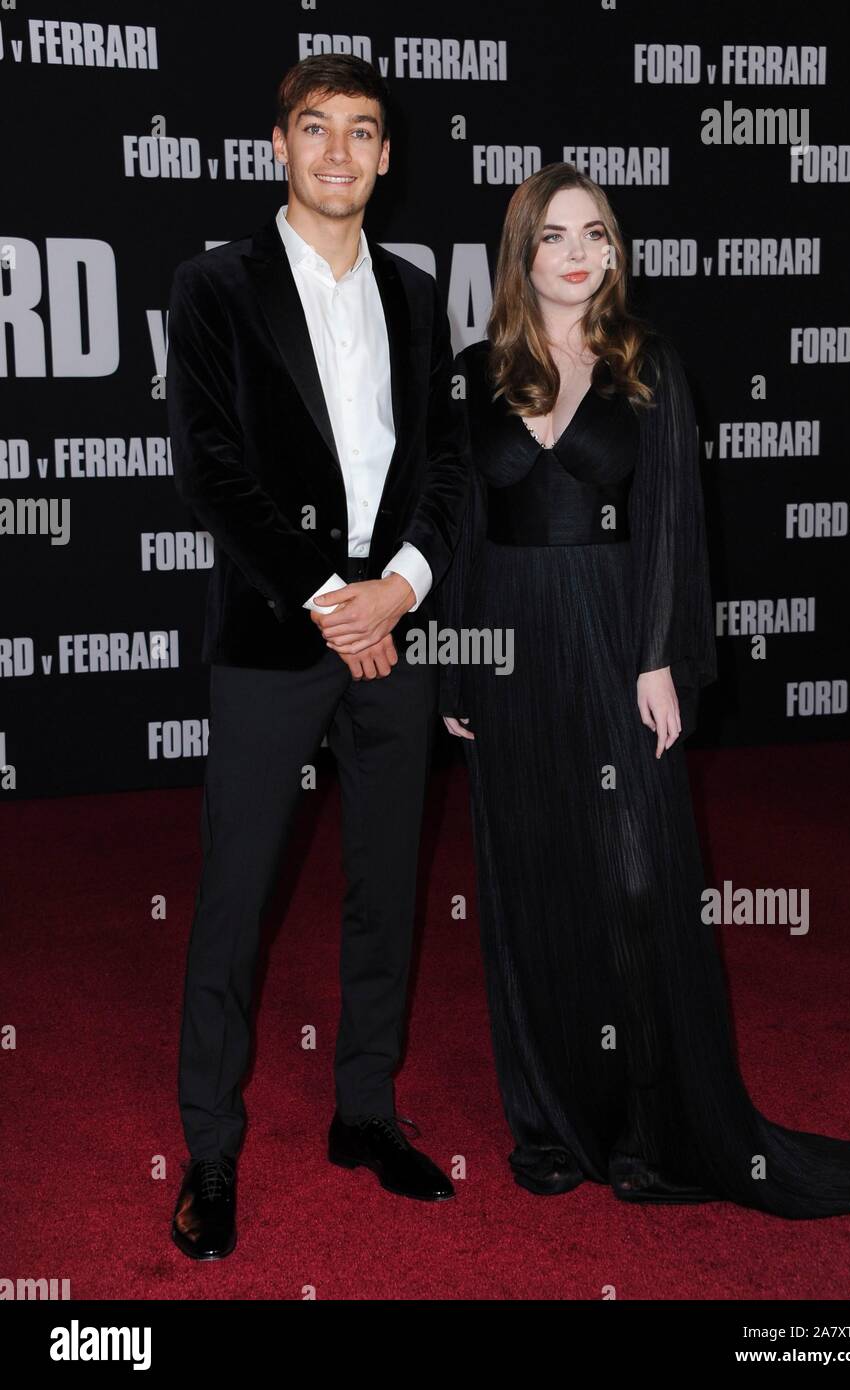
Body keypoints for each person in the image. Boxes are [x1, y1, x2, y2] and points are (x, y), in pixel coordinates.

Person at [435, 162, 850, 1217]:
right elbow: (457, 524)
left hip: (611, 635)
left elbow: (671, 522)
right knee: (526, 885)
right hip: (506, 636)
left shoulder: (645, 362)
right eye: (552, 235)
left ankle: (648, 1126)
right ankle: (549, 1123)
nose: (574, 252)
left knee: (634, 883)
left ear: (612, 250)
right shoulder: (471, 373)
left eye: (592, 233)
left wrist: (657, 655)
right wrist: (455, 659)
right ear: (520, 253)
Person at [166, 55, 468, 1260]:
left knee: (384, 885)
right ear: (279, 147)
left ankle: (365, 1111)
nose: (339, 153)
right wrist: (328, 597)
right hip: (274, 627)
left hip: (392, 625)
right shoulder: (212, 289)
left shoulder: (413, 292)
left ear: (387, 156)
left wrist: (398, 588)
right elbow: (212, 472)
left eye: (362, 132)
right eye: (315, 130)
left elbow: (443, 468)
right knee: (236, 893)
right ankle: (208, 1144)